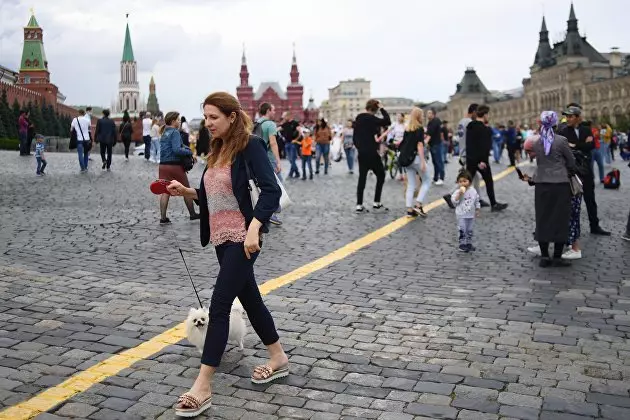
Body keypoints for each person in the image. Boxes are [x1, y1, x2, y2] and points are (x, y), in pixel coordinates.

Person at [167, 92, 287, 418]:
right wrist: (187, 192)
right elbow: (213, 194)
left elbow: (271, 190)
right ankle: (278, 357)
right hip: (221, 238)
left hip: (243, 239)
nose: (208, 123)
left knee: (220, 305)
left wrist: (254, 228)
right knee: (250, 299)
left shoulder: (250, 145)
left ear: (232, 116)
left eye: (213, 117)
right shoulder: (217, 149)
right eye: (205, 118)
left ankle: (203, 386)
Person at [522, 111, 575, 267]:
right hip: (560, 184)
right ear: (555, 124)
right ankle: (557, 257)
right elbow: (571, 161)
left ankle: (545, 256)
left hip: (542, 184)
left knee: (543, 218)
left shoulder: (536, 142)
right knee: (560, 219)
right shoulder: (561, 141)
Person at [559, 106, 610, 235]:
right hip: (572, 171)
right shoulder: (563, 131)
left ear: (577, 117)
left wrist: (575, 145)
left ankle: (595, 226)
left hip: (586, 169)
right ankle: (569, 229)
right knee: (570, 202)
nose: (568, 119)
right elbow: (566, 148)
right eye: (567, 116)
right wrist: (581, 145)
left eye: (570, 116)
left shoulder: (586, 129)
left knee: (590, 199)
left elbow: (591, 145)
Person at [444, 104, 489, 209]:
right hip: (469, 154)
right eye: (477, 113)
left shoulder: (461, 122)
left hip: (463, 152)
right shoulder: (470, 123)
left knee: (475, 177)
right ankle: (451, 195)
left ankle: (478, 199)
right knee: (468, 178)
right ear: (473, 112)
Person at [158, 112, 199, 224]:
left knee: (165, 191)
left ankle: (163, 218)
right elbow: (176, 150)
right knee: (186, 189)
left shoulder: (164, 132)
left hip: (163, 165)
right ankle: (192, 214)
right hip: (174, 165)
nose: (180, 122)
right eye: (178, 120)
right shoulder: (175, 132)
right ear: (173, 121)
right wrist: (189, 152)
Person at [465, 105, 508, 212]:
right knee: (488, 181)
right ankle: (493, 204)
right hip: (481, 160)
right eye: (488, 114)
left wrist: (471, 158)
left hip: (470, 158)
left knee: (467, 181)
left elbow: (469, 144)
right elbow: (484, 147)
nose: (489, 116)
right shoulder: (485, 129)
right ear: (484, 115)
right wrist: (482, 161)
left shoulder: (470, 126)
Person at [354, 99, 391, 212]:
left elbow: (355, 137)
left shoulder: (359, 118)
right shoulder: (372, 119)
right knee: (381, 175)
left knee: (362, 178)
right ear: (375, 109)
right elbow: (387, 121)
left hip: (362, 152)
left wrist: (359, 147)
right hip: (371, 152)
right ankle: (376, 202)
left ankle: (359, 204)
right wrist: (382, 108)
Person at [399, 107, 430, 218]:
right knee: (427, 181)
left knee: (411, 184)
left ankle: (409, 210)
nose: (423, 117)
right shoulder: (419, 128)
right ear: (418, 116)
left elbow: (402, 144)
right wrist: (422, 161)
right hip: (416, 158)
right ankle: (418, 204)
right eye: (422, 115)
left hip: (407, 160)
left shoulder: (407, 129)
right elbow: (420, 145)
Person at [256, 103, 283, 226]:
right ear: (268, 111)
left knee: (264, 186)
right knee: (276, 186)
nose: (275, 112)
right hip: (269, 159)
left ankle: (271, 210)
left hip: (258, 158)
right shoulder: (271, 124)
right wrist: (278, 160)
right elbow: (273, 143)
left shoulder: (256, 124)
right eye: (273, 110)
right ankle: (271, 213)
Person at [451, 170, 480, 252]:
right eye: (460, 181)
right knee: (462, 229)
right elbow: (454, 201)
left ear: (470, 182)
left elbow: (476, 200)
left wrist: (477, 209)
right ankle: (462, 244)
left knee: (469, 230)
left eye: (465, 181)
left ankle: (469, 243)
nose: (462, 183)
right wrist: (459, 195)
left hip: (471, 214)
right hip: (461, 214)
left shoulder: (473, 191)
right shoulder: (457, 192)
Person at [426, 109, 444, 185]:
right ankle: (436, 177)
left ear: (433, 114)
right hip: (432, 144)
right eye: (427, 113)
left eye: (429, 113)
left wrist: (425, 142)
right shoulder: (430, 122)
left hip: (436, 144)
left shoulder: (435, 121)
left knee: (439, 161)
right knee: (434, 162)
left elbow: (429, 134)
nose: (427, 114)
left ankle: (441, 178)